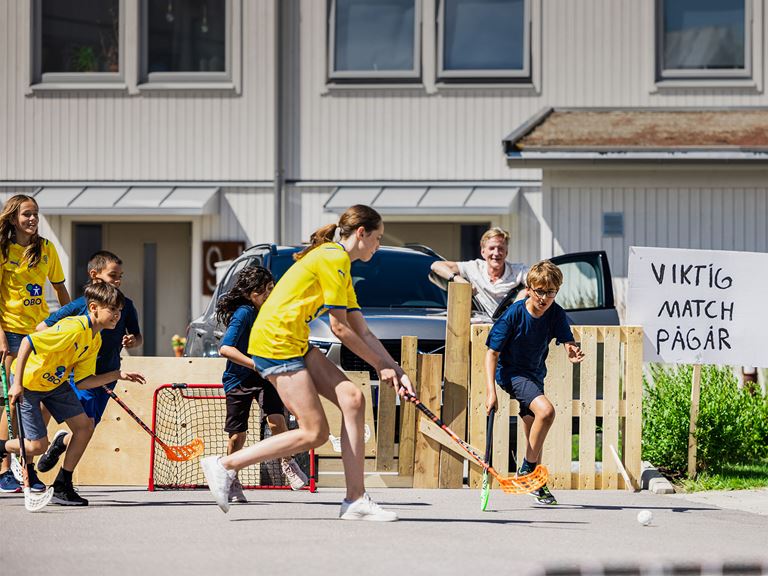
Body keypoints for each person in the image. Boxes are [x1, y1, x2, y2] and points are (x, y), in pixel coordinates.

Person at [200, 204, 414, 520]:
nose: (379, 245)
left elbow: (362, 331)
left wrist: (396, 369)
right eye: (378, 237)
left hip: (295, 340)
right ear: (361, 233)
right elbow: (339, 328)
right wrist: (378, 366)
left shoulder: (341, 267)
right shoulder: (333, 258)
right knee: (315, 432)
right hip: (276, 342)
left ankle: (355, 500)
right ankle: (225, 464)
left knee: (353, 399)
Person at [0, 282, 145, 506]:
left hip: (55, 385)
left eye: (119, 310)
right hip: (30, 383)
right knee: (37, 447)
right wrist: (17, 383)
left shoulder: (94, 339)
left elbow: (83, 381)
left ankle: (62, 486)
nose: (117, 315)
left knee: (85, 426)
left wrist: (118, 375)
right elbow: (29, 342)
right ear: (94, 308)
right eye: (111, 310)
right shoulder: (73, 328)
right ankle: (2, 447)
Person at [33, 251, 144, 476]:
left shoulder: (126, 305)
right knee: (84, 425)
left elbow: (138, 336)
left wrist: (134, 340)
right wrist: (60, 353)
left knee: (88, 429)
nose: (118, 281)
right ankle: (55, 476)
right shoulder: (80, 305)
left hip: (107, 375)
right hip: (80, 376)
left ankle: (60, 443)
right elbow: (42, 329)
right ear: (94, 275)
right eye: (113, 275)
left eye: (120, 276)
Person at [484, 260, 585, 506]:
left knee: (533, 434)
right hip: (512, 373)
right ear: (528, 289)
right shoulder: (514, 314)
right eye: (540, 291)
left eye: (551, 292)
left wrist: (571, 350)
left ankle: (536, 485)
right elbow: (492, 353)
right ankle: (526, 470)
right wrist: (491, 392)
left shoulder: (555, 313)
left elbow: (567, 340)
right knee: (546, 412)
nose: (545, 298)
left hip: (535, 374)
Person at [215, 265, 308, 502]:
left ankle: (287, 462)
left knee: (277, 420)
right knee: (237, 437)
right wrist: (255, 364)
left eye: (271, 288)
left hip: (265, 377)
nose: (269, 294)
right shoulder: (244, 313)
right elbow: (225, 348)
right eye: (263, 290)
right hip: (239, 378)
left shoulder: (271, 312)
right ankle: (231, 477)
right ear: (250, 293)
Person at [0, 194, 71, 494]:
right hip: (11, 332)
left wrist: (70, 322)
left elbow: (60, 288)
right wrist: (1, 335)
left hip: (40, 333)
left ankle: (27, 466)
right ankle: (4, 469)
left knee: (37, 398)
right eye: (26, 214)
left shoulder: (46, 248)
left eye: (36, 214)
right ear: (13, 218)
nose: (32, 219)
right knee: (13, 400)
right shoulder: (3, 249)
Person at [430, 227, 528, 317]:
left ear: (506, 252)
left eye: (501, 248)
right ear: (483, 252)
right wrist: (459, 280)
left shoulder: (518, 271)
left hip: (510, 324)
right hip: (478, 326)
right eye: (492, 248)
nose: (496, 253)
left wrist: (524, 293)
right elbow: (436, 265)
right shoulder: (474, 267)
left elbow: (536, 279)